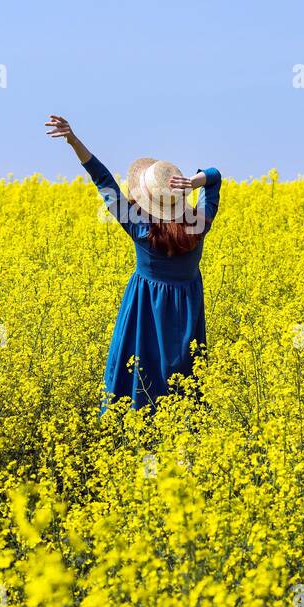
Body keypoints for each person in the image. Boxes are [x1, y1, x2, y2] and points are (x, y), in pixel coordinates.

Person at [46, 115, 222, 411]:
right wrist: (195, 181)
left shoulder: (140, 229)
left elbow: (104, 182)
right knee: (184, 382)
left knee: (138, 374)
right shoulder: (198, 225)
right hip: (186, 314)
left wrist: (74, 141)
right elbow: (215, 178)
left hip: (144, 310)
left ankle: (132, 434)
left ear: (147, 199)